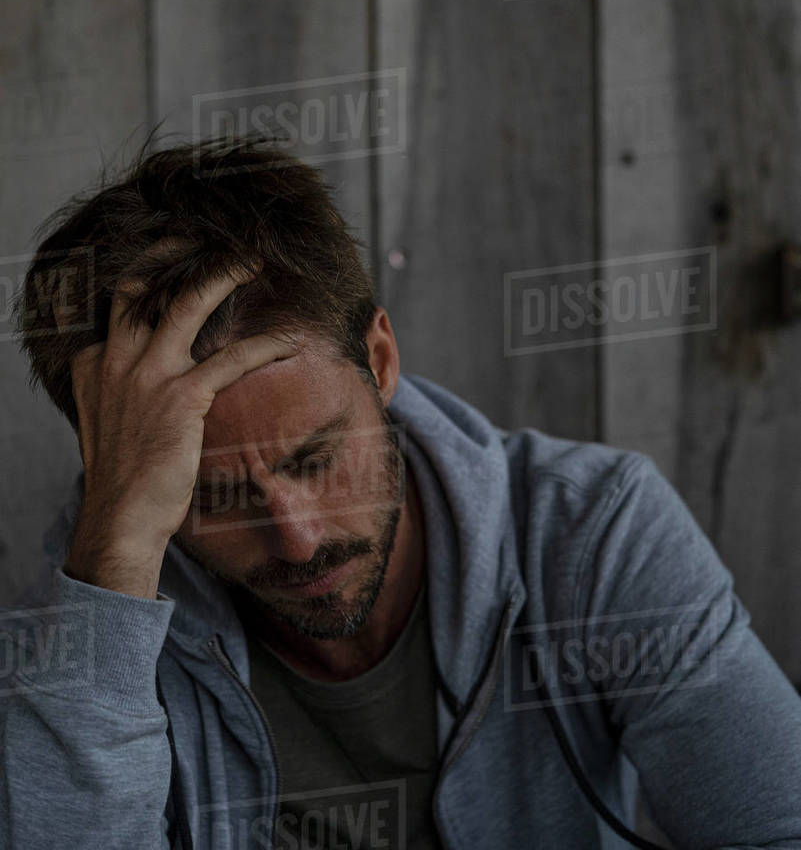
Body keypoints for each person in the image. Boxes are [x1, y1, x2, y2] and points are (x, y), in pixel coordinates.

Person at [2, 133, 801, 850]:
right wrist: (118, 558)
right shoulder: (91, 624)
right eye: (212, 496)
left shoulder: (590, 530)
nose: (299, 537)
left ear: (379, 360)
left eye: (315, 458)